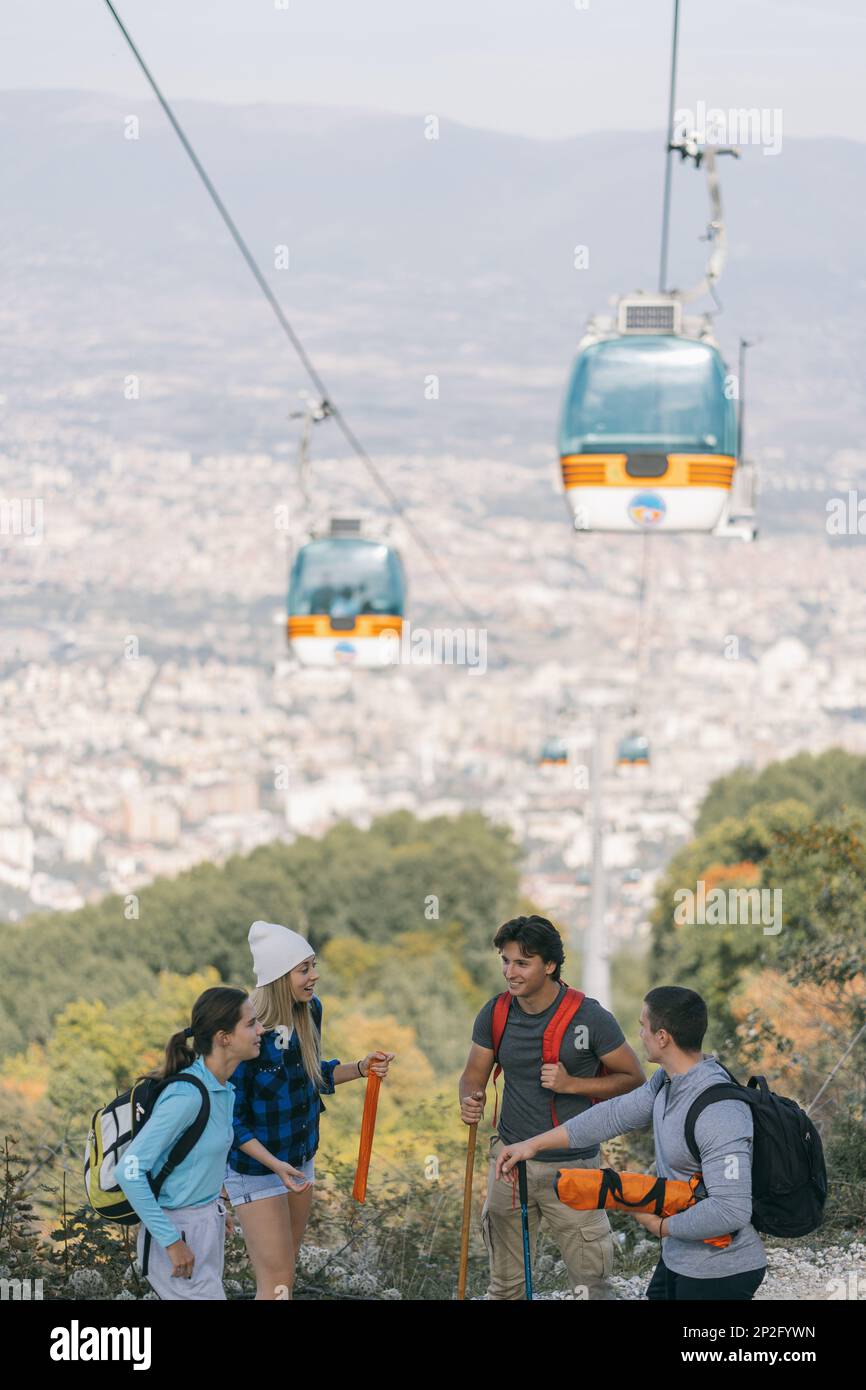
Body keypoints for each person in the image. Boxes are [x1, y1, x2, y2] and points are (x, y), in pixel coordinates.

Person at [497, 985, 767, 1301]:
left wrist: (663, 1228)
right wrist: (533, 1145)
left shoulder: (719, 1111)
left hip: (723, 1271)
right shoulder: (667, 1081)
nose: (640, 1034)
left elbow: (730, 1210)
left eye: (643, 1026)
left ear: (663, 1037)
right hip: (680, 1258)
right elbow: (611, 1116)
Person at [459, 915, 646, 1300]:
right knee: (505, 1289)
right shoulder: (495, 1013)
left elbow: (633, 1079)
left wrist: (572, 1084)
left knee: (591, 1289)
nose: (510, 972)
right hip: (510, 1163)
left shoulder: (590, 1017)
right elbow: (473, 1074)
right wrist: (470, 1098)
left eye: (521, 963)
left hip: (574, 1166)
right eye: (505, 961)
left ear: (550, 965)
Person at [225, 920, 395, 1300]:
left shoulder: (309, 1010)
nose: (314, 976)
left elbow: (310, 1075)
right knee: (277, 1282)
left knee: (286, 1275)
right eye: (304, 969)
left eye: (313, 966)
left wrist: (361, 1068)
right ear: (279, 977)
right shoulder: (246, 1031)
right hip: (256, 1170)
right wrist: (274, 1165)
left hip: (300, 1160)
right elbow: (230, 1121)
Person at [117, 986, 262, 1300]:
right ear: (224, 1037)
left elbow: (198, 1157)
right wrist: (171, 1241)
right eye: (251, 1024)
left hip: (203, 1226)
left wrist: (214, 1206)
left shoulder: (223, 1090)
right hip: (176, 1232)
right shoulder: (186, 1096)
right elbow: (128, 1171)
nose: (261, 1030)